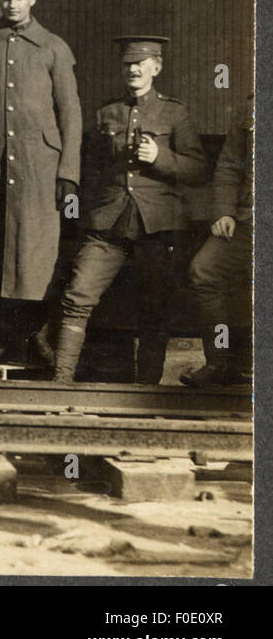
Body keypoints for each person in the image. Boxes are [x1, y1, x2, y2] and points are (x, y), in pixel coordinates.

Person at [50, 37, 207, 384]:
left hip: (158, 224)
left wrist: (161, 158)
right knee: (78, 294)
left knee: (155, 309)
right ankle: (60, 382)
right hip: (109, 222)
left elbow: (198, 169)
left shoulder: (174, 113)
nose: (133, 69)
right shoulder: (107, 113)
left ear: (157, 67)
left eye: (142, 62)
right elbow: (91, 170)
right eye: (127, 64)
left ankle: (146, 391)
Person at [0, 0, 82, 376]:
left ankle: (35, 337)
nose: (11, 4)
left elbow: (70, 115)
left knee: (38, 257)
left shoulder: (53, 48)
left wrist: (68, 172)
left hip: (39, 172)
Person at [180, 94, 253, 387]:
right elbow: (229, 165)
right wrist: (225, 212)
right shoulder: (251, 105)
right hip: (249, 220)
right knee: (204, 270)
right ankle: (218, 363)